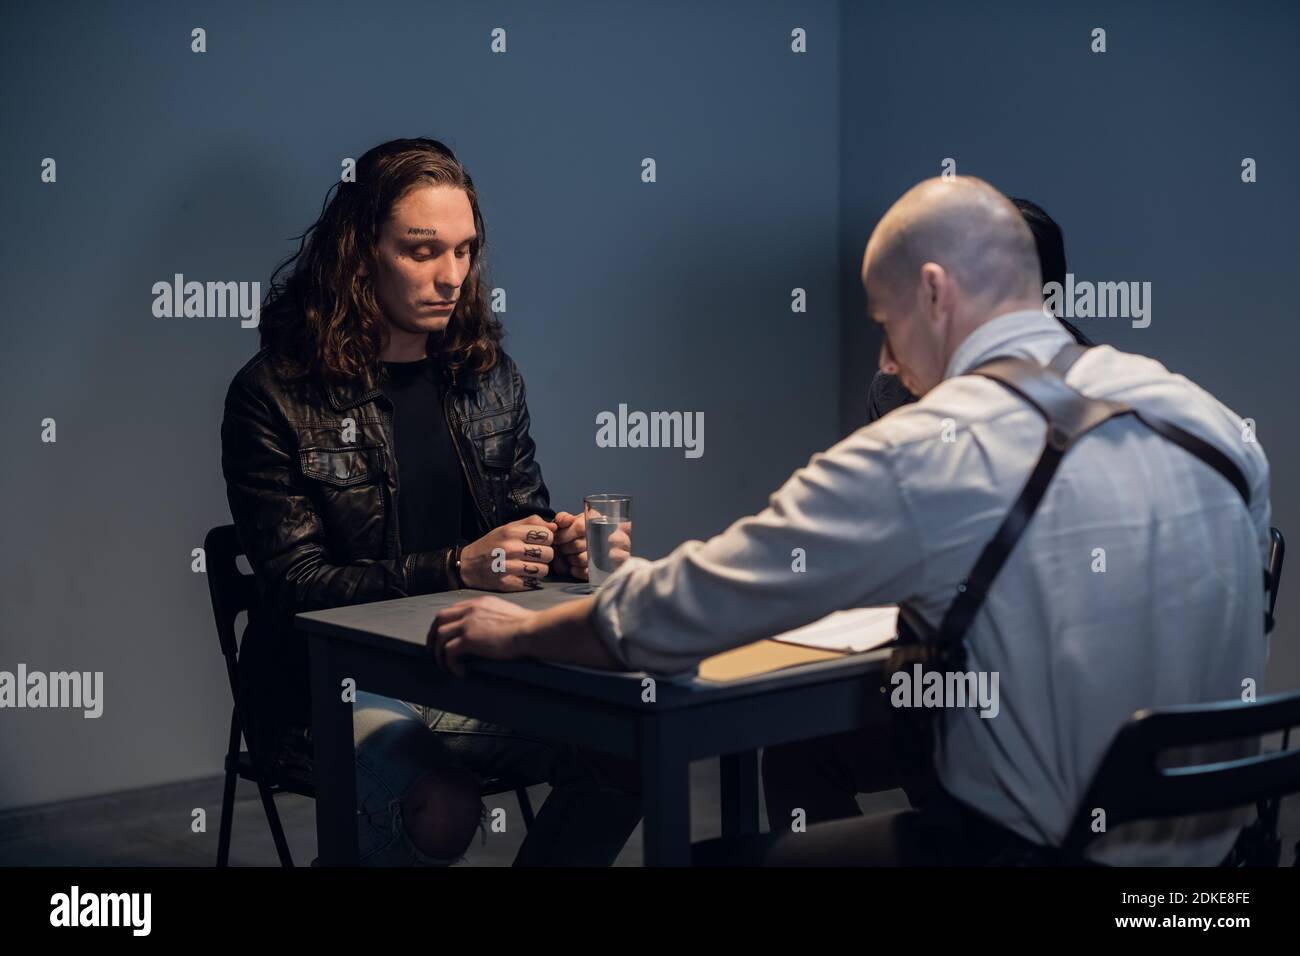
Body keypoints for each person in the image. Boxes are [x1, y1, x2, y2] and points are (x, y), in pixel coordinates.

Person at [429, 175, 1271, 866]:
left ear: (934, 293)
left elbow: (668, 619)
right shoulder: (1210, 421)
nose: (884, 360)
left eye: (883, 321)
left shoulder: (929, 447)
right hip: (1212, 888)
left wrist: (518, 633)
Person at [220, 137, 639, 866]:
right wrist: (456, 566)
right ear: (360, 254)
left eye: (465, 251)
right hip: (323, 692)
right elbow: (294, 589)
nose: (452, 276)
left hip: (472, 670)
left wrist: (562, 551)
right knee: (442, 804)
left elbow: (520, 527)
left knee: (632, 743)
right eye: (423, 251)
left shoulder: (488, 377)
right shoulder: (273, 395)